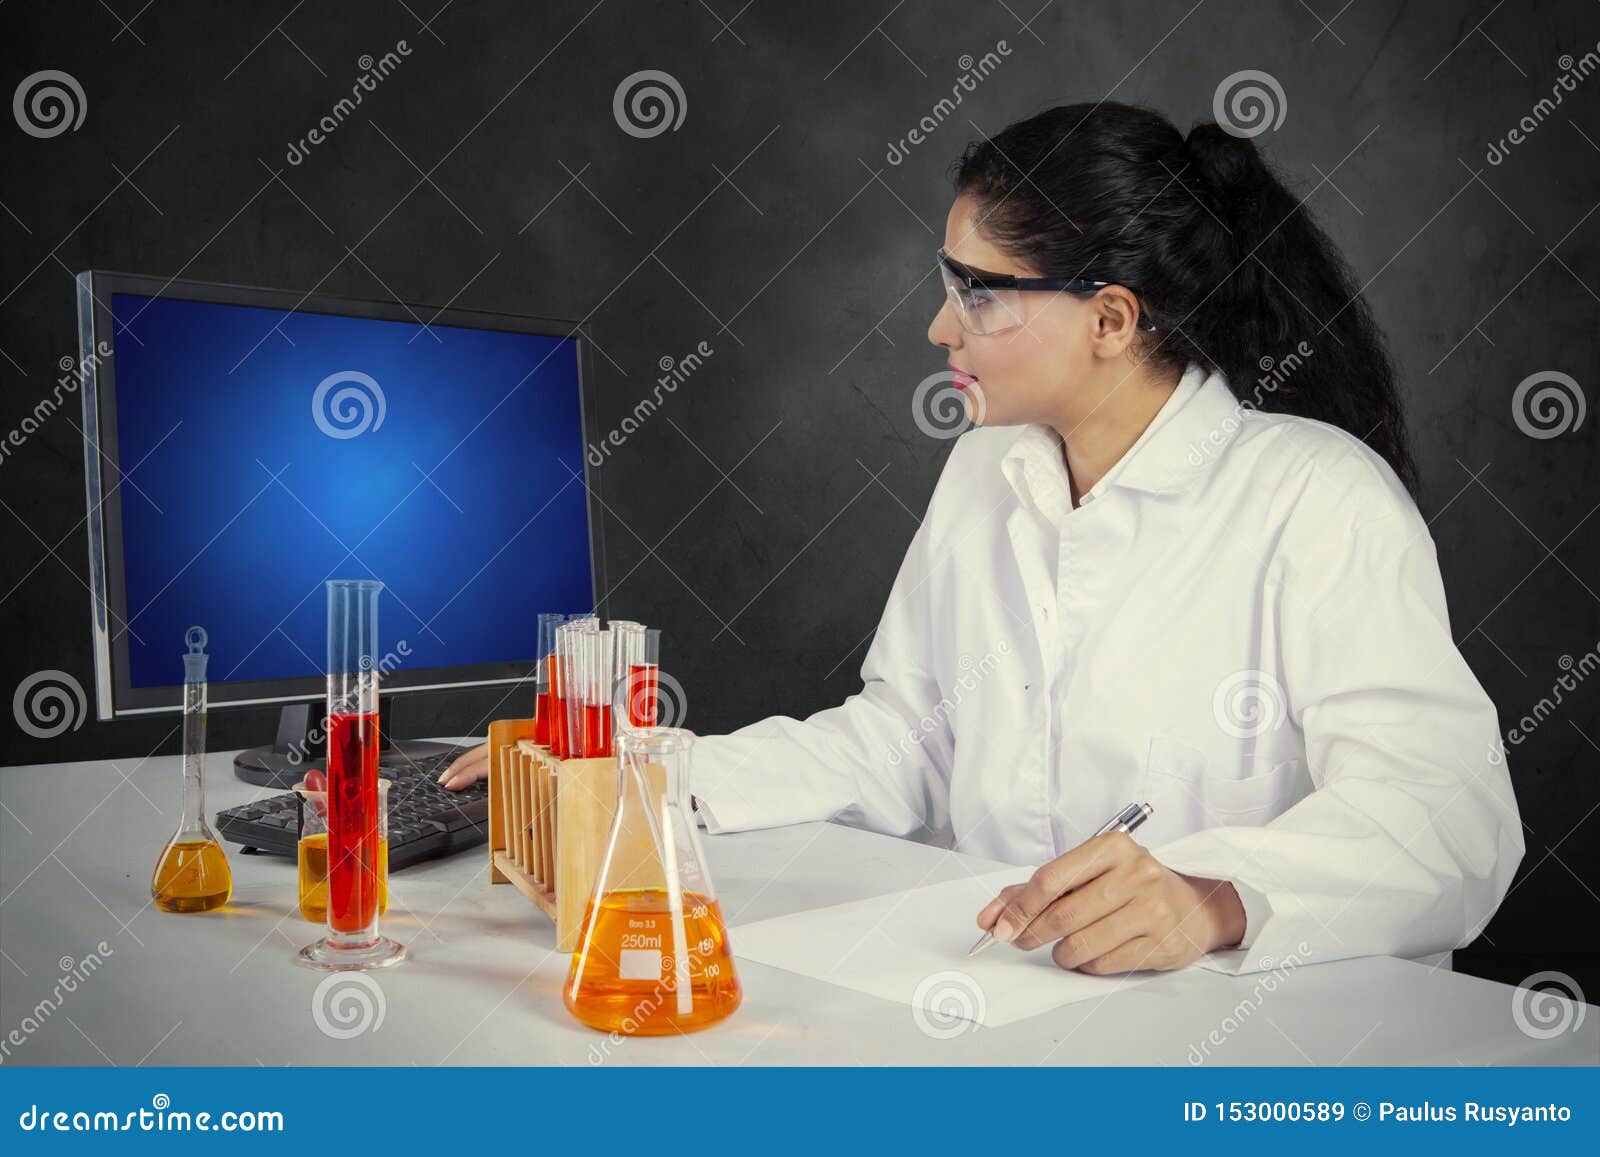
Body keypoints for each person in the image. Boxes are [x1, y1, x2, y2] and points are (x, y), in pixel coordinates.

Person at [441, 101, 1522, 977]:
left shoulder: (1317, 497)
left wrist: (1216, 898)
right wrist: (644, 776)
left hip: (1229, 1040)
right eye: (946, 281)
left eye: (978, 292)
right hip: (998, 992)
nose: (939, 327)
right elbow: (904, 737)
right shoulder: (983, 474)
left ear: (1110, 318)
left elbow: (1447, 818)